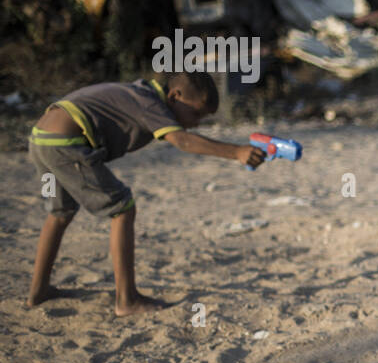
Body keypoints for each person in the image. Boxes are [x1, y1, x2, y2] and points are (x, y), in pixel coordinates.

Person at [27, 72, 265, 316]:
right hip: (67, 142)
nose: (195, 124)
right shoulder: (149, 102)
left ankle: (39, 292)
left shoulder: (139, 93)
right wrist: (236, 152)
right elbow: (182, 141)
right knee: (123, 209)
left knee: (60, 213)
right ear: (175, 96)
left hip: (41, 137)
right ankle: (126, 300)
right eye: (195, 114)